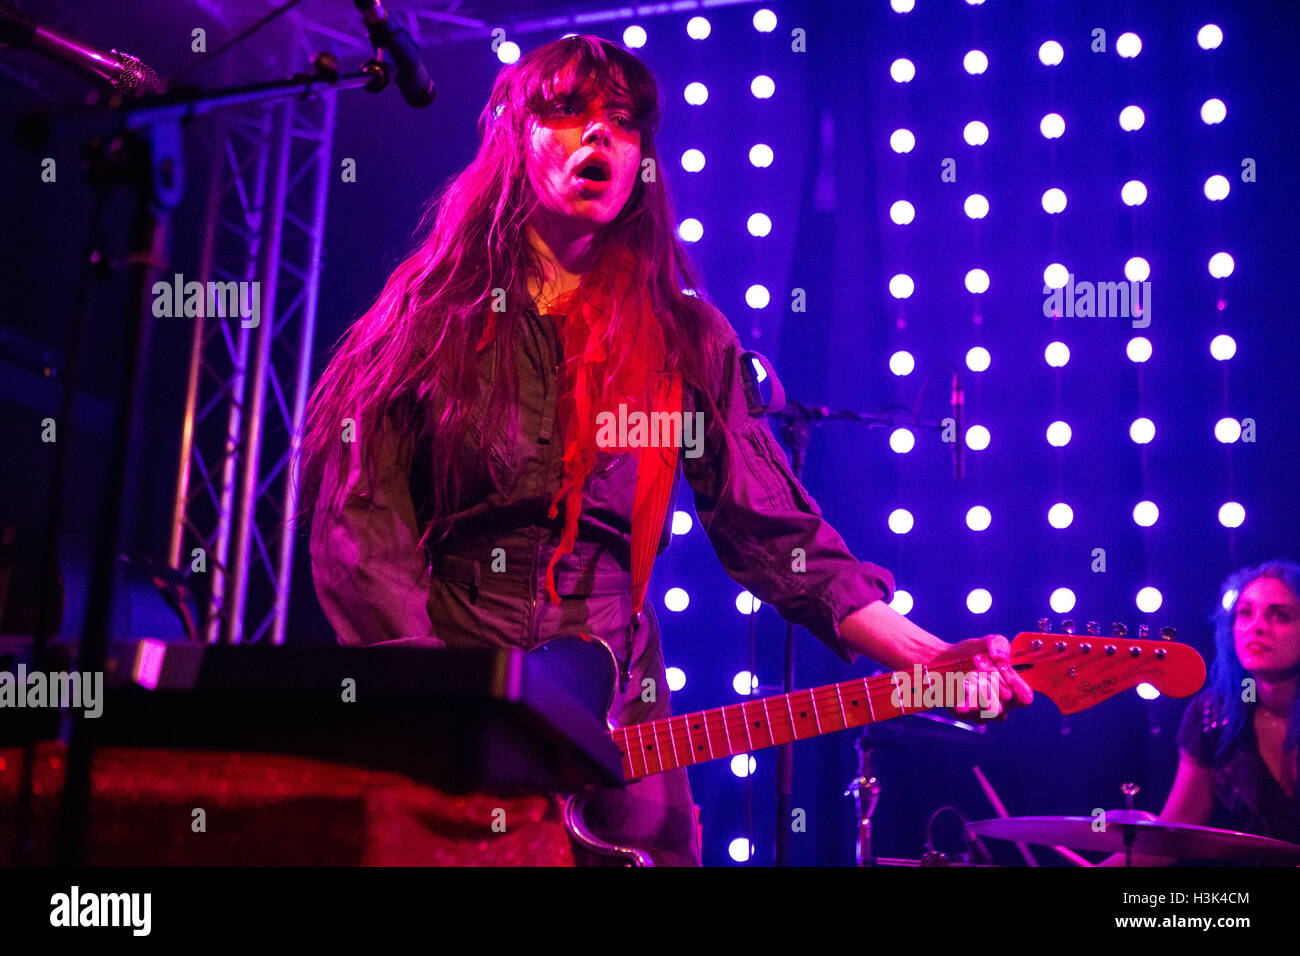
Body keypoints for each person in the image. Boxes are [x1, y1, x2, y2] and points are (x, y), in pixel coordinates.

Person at [297, 34, 1031, 866]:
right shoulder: (425, 323)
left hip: (620, 715)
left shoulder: (684, 338)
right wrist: (444, 707)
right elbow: (362, 535)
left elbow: (777, 537)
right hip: (453, 709)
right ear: (514, 137)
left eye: (622, 121)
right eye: (568, 112)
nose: (600, 137)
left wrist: (931, 659)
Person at [1100, 560, 1300, 865]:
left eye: (1280, 616)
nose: (1256, 626)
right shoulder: (1212, 715)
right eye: (1245, 613)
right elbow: (1172, 839)